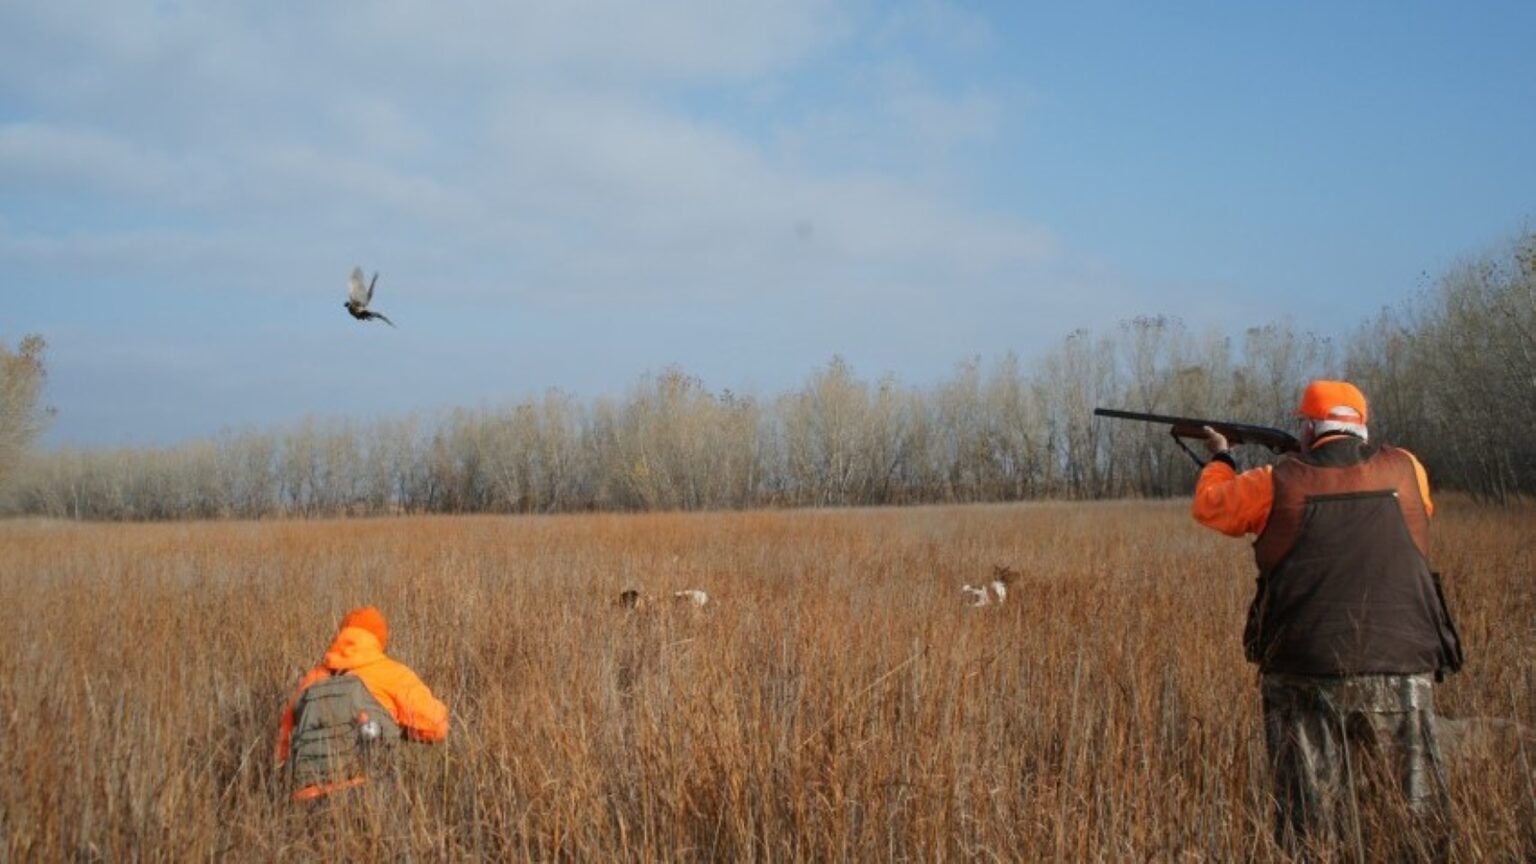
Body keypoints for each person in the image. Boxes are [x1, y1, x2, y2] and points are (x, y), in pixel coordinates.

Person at [1191, 380, 1463, 855]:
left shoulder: (1273, 481)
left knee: (1310, 823)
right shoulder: (1408, 471)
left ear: (1309, 426)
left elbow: (1211, 507)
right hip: (1402, 667)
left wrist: (1220, 457)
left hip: (1305, 671)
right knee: (1415, 818)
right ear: (1361, 425)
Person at [275, 606, 450, 802]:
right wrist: (399, 727)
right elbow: (437, 727)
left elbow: (283, 748)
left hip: (305, 797)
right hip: (367, 793)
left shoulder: (311, 679)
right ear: (380, 639)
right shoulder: (391, 673)